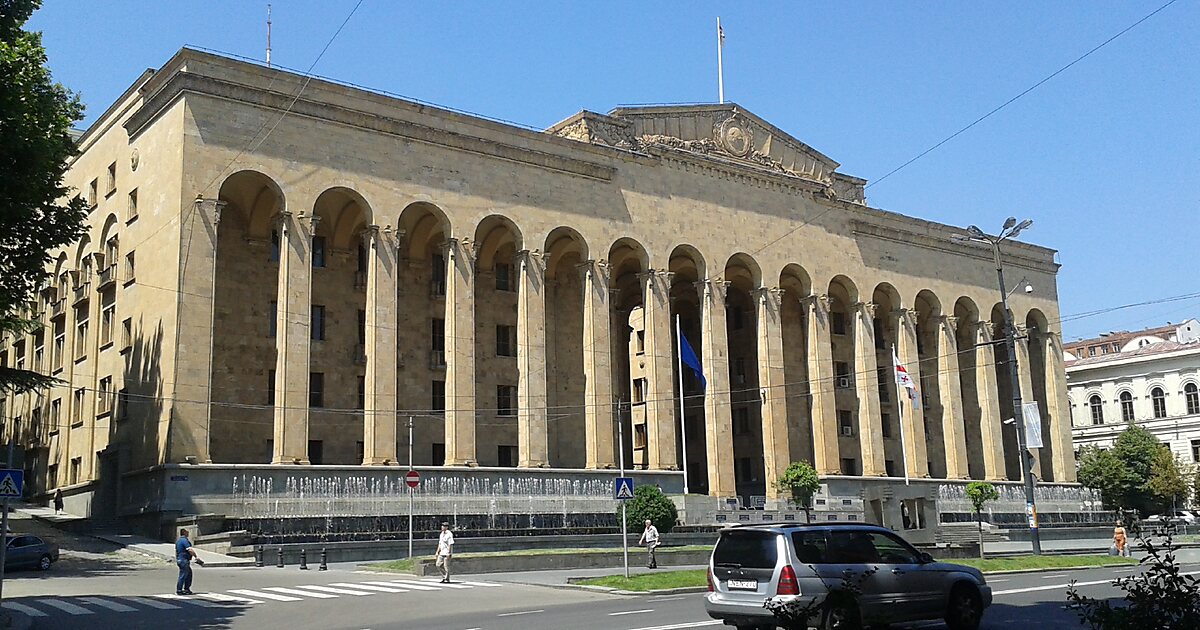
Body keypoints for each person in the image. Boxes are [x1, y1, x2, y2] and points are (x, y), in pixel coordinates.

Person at [175, 528, 204, 595]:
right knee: (183, 575)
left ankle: (186, 589)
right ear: (184, 532)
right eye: (187, 532)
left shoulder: (178, 541)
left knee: (188, 574)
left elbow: (177, 551)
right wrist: (196, 557)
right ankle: (180, 590)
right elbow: (190, 550)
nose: (188, 533)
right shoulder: (184, 541)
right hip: (184, 560)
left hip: (180, 559)